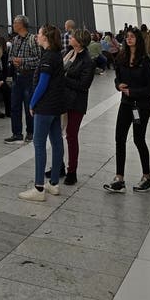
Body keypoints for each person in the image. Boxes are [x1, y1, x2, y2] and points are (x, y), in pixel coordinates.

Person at [104, 28, 150, 193]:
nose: (129, 39)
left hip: (140, 107)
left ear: (138, 39)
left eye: (132, 37)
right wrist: (118, 85)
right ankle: (119, 178)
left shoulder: (144, 60)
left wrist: (133, 92)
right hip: (126, 104)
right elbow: (117, 77)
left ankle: (147, 177)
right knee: (120, 138)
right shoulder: (122, 57)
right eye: (127, 37)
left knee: (138, 139)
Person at [19, 25, 65, 203]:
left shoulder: (47, 57)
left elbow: (43, 83)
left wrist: (32, 103)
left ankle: (39, 187)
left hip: (45, 107)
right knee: (56, 142)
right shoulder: (56, 55)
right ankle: (53, 183)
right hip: (56, 106)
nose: (36, 36)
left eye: (38, 34)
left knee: (39, 144)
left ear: (45, 37)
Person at [61, 29, 94, 185]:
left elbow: (83, 85)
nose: (70, 38)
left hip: (76, 102)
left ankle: (72, 171)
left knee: (71, 135)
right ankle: (59, 165)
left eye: (73, 37)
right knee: (58, 133)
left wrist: (64, 79)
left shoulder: (87, 61)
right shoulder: (69, 53)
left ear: (79, 41)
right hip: (63, 100)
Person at [4, 15, 42, 145]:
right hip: (17, 76)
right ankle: (17, 134)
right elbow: (10, 57)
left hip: (28, 76)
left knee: (28, 105)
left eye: (15, 22)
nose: (13, 25)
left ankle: (31, 132)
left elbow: (38, 59)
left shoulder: (33, 40)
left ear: (21, 25)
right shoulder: (15, 40)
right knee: (14, 106)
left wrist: (22, 61)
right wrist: (13, 61)